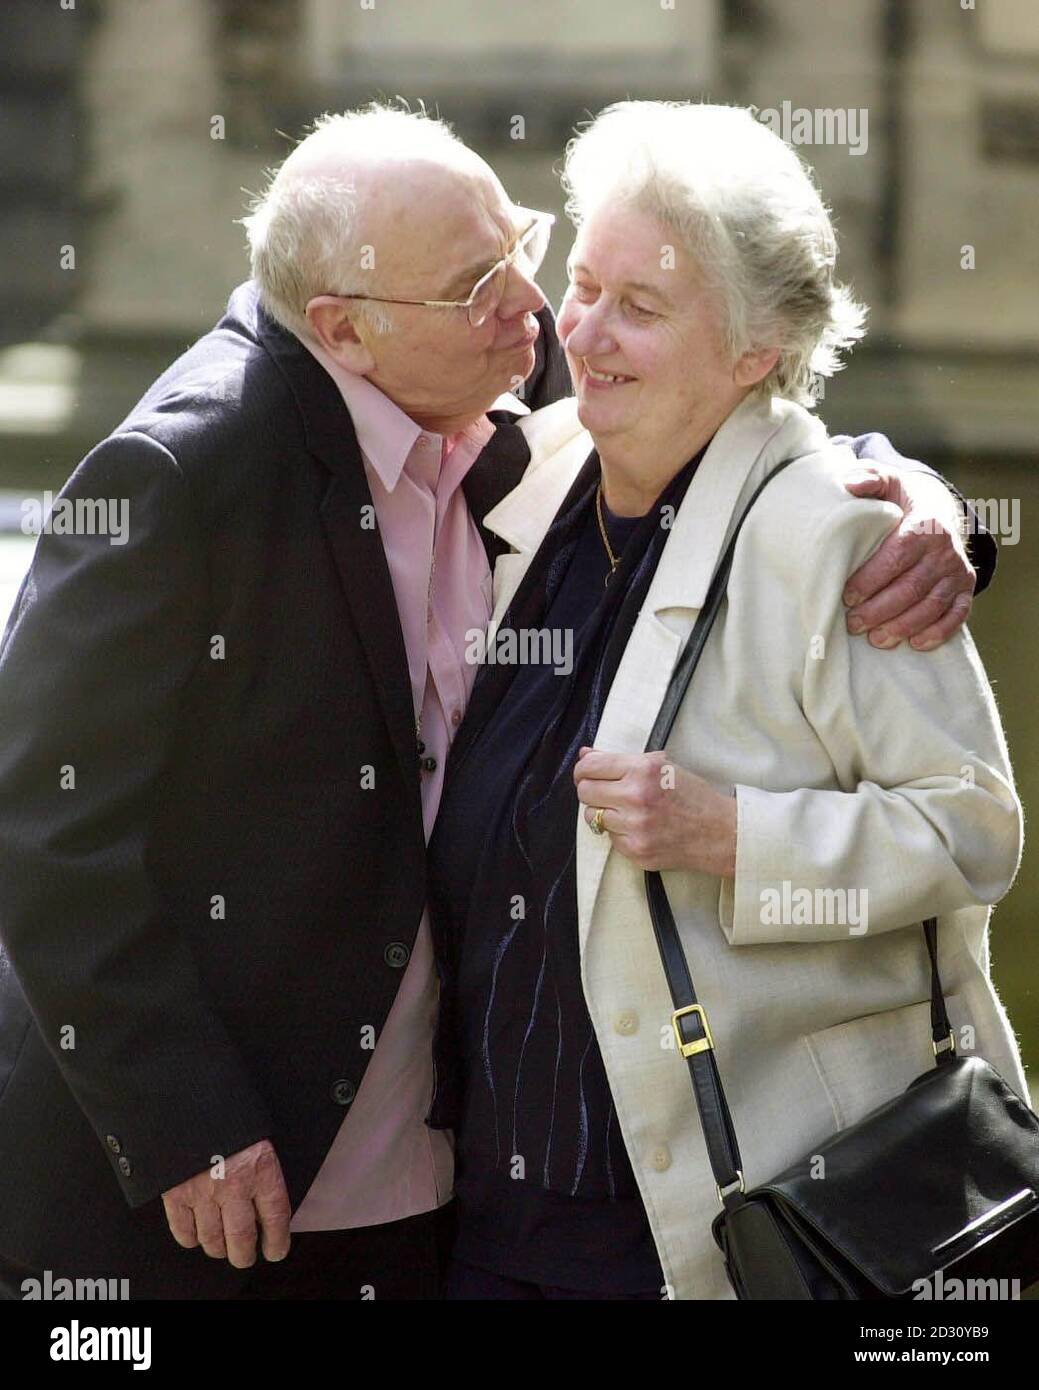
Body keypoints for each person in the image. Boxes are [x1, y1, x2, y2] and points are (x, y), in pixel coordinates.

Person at [0, 102, 995, 1301]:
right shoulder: (306, 466)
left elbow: (967, 822)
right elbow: (42, 826)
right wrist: (179, 1116)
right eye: (543, 284)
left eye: (536, 263)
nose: (550, 320)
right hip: (341, 1199)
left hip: (625, 1203)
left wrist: (936, 515)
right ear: (344, 329)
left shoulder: (761, 522)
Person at [426, 100, 1027, 1301]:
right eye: (583, 286)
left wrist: (735, 836)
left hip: (726, 1223)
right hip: (490, 1209)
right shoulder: (531, 475)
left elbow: (971, 834)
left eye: (638, 308)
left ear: (756, 350)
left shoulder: (841, 539)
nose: (584, 332)